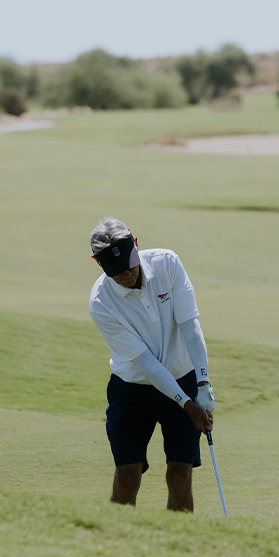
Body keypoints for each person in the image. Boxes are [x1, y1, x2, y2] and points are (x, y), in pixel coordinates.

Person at [88, 217, 215, 511]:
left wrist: (203, 383)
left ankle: (176, 537)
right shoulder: (101, 302)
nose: (127, 274)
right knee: (126, 477)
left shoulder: (167, 263)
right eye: (116, 271)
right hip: (132, 388)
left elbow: (190, 325)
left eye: (130, 265)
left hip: (182, 376)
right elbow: (146, 363)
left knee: (180, 474)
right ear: (98, 263)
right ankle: (114, 534)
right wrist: (187, 404)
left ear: (136, 245)